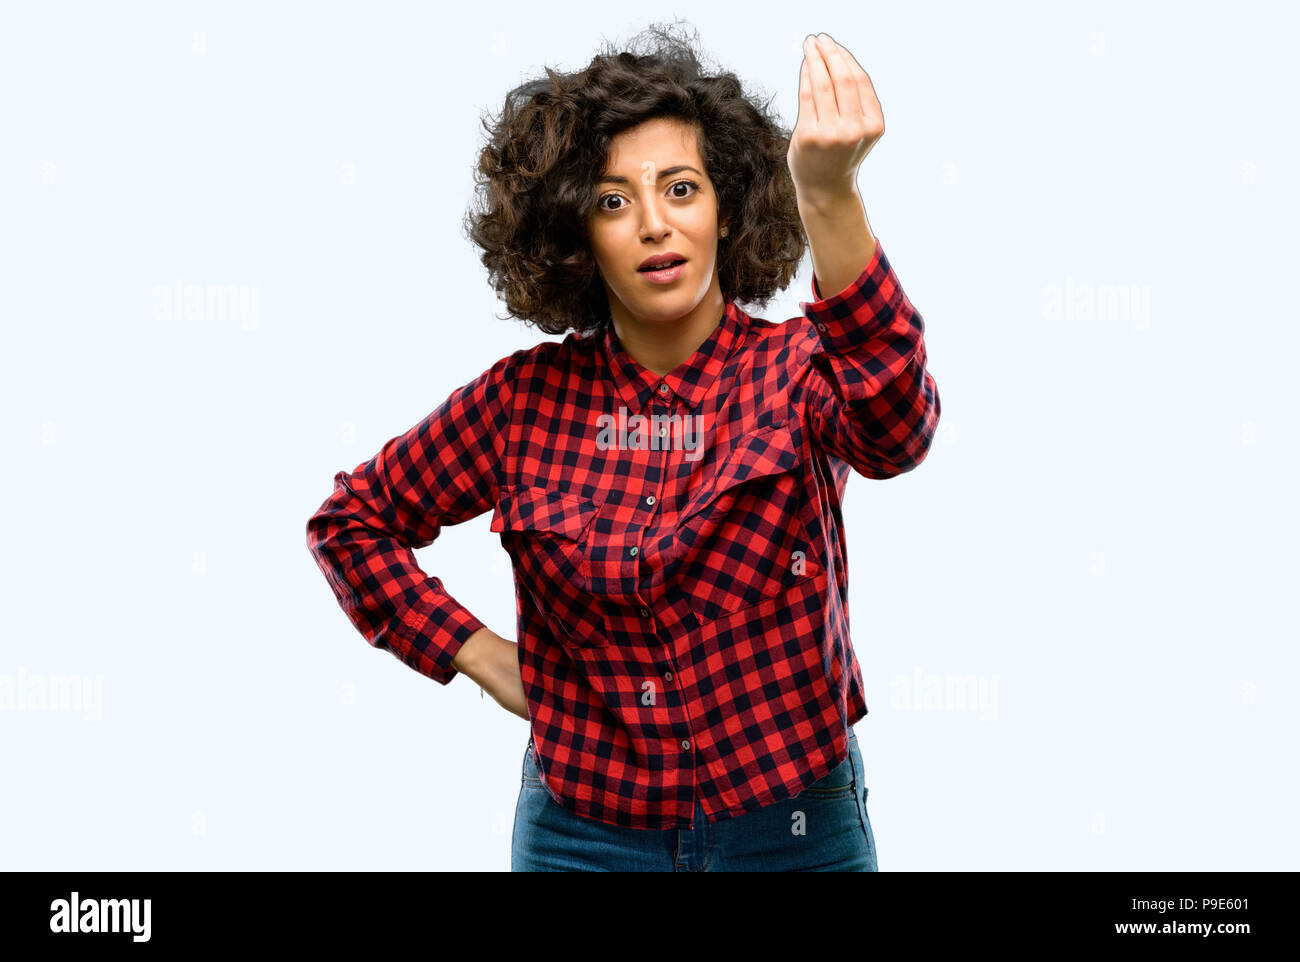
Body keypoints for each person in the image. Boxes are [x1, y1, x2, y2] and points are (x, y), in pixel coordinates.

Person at [306, 20, 940, 871]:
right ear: (574, 233)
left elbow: (897, 432)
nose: (651, 224)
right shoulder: (519, 403)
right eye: (613, 201)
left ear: (728, 205)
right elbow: (352, 523)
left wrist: (828, 196)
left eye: (681, 189)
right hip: (583, 835)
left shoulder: (798, 372)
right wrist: (481, 657)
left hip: (797, 825)